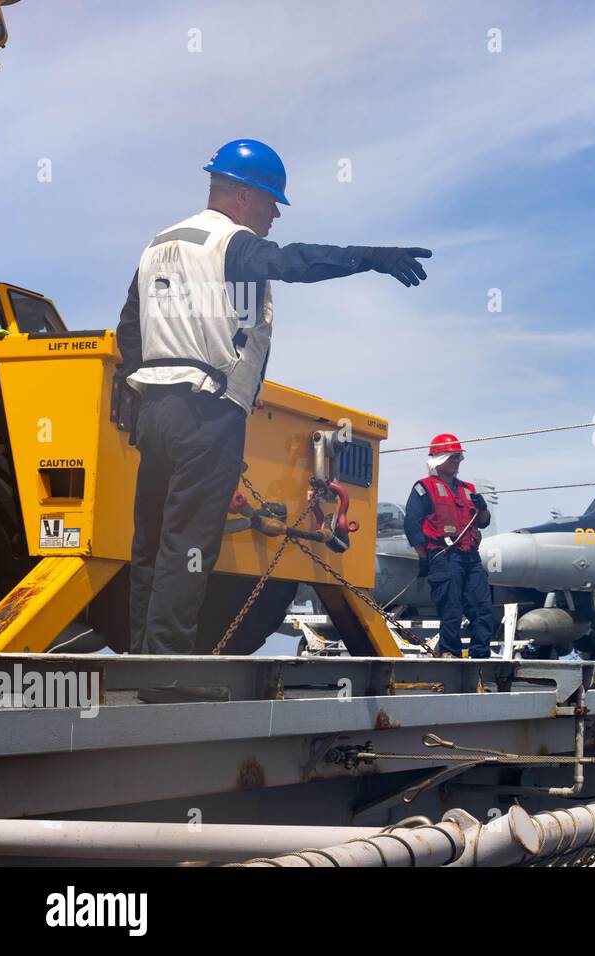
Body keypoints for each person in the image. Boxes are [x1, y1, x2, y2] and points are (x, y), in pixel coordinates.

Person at [117, 138, 433, 665]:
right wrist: (370, 258)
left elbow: (131, 326)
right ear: (243, 196)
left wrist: (133, 395)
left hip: (155, 410)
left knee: (150, 540)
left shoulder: (159, 245)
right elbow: (296, 262)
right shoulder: (230, 242)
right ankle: (168, 670)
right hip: (206, 411)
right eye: (270, 204)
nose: (273, 218)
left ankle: (136, 659)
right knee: (189, 545)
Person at [403, 434, 494, 659]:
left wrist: (482, 508)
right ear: (438, 459)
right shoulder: (423, 488)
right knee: (451, 609)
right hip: (444, 557)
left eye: (458, 457)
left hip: (471, 558)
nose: (456, 461)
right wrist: (424, 557)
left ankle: (480, 656)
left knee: (482, 607)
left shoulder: (468, 489)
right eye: (451, 457)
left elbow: (483, 521)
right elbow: (412, 524)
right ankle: (450, 654)